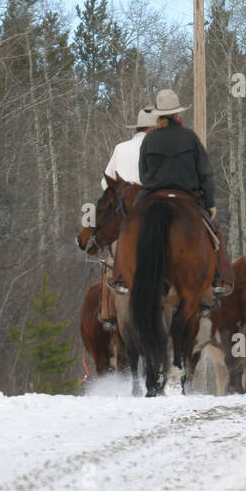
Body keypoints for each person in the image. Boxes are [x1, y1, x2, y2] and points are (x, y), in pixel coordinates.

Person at [134, 88, 233, 313]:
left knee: (130, 229)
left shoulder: (149, 140)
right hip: (188, 198)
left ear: (159, 115)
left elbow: (143, 175)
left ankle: (124, 275)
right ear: (177, 115)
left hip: (152, 196)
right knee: (214, 233)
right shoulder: (189, 137)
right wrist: (209, 202)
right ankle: (217, 279)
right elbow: (205, 173)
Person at [97, 106, 154, 329]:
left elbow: (105, 183)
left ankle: (108, 312)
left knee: (110, 260)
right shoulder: (156, 149)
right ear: (151, 129)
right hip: (152, 215)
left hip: (125, 219)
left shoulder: (120, 149)